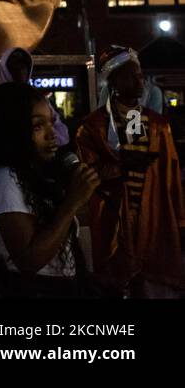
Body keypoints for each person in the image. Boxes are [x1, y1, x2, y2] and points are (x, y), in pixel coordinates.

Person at [0, 82, 100, 297]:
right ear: (11, 131)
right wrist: (71, 202)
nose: (52, 134)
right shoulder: (6, 178)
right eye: (38, 126)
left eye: (51, 122)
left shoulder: (40, 175)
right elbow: (29, 259)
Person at [75, 47, 185, 297]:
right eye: (132, 76)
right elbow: (87, 174)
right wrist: (122, 167)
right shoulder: (92, 127)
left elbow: (171, 175)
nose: (140, 82)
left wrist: (180, 220)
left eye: (141, 76)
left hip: (154, 216)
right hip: (114, 219)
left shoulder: (158, 125)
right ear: (114, 81)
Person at [0, 47, 69, 145]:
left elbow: (62, 134)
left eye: (23, 67)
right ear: (6, 69)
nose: (21, 72)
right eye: (14, 67)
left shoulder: (37, 99)